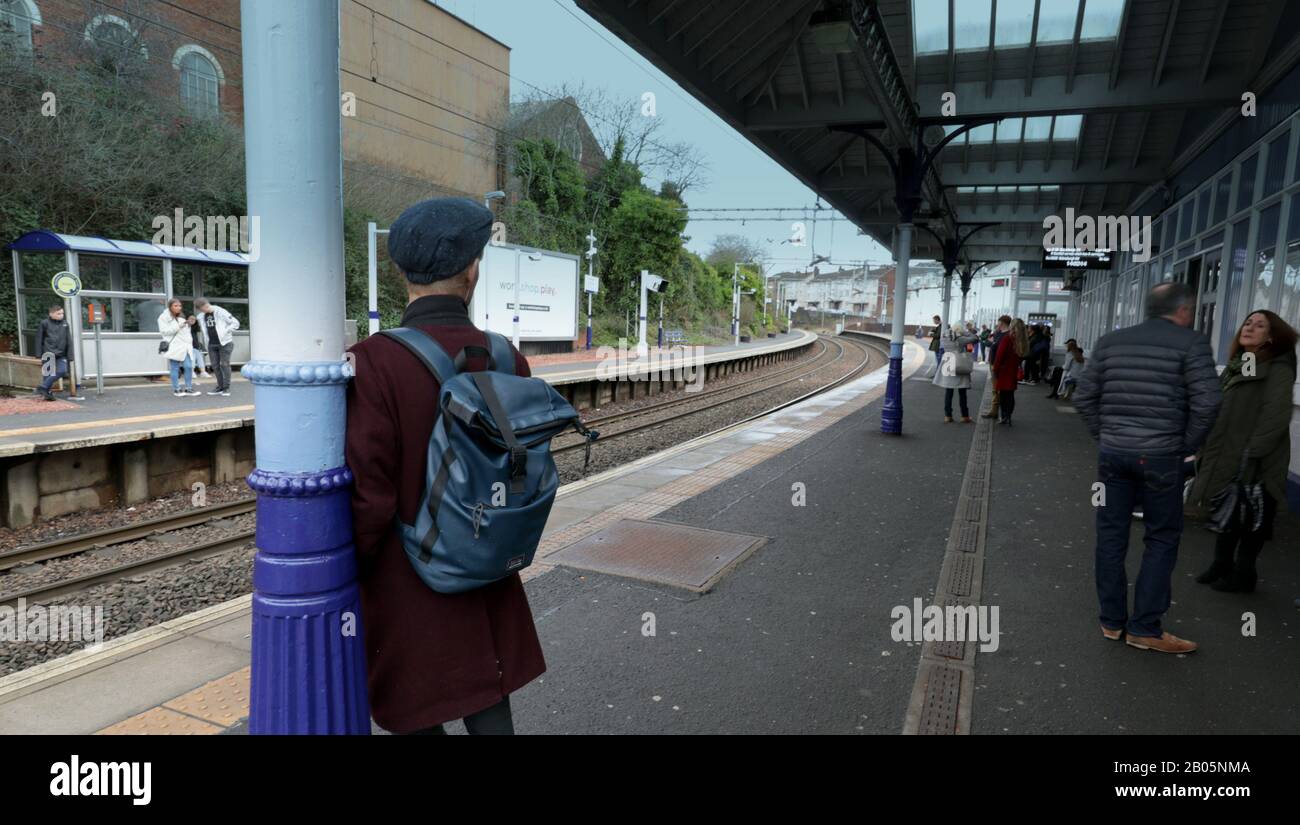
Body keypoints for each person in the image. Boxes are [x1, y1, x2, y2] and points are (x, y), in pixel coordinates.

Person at [346, 197, 544, 736]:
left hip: (408, 575)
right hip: (489, 561)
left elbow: (370, 494)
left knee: (416, 706)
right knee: (489, 694)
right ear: (472, 269)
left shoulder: (373, 361)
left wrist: (348, 571)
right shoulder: (507, 357)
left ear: (401, 271)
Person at [1072, 283, 1221, 653]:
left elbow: (1083, 396)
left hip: (1113, 457)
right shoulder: (1192, 343)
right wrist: (1184, 445)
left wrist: (1106, 436)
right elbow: (1209, 403)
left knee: (1110, 535)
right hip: (1161, 458)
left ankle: (1111, 622)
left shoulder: (1109, 342)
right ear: (1185, 309)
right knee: (1162, 536)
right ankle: (1144, 628)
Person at [1188, 310, 1297, 593]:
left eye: (1260, 325)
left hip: (1257, 456)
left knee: (1251, 516)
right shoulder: (1242, 363)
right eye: (1248, 322)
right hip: (1228, 448)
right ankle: (1221, 563)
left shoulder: (1279, 367)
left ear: (1271, 336)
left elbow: (1276, 414)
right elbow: (1228, 404)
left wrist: (1253, 451)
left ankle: (1244, 573)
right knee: (1229, 508)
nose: (1250, 328)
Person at [932, 322, 978, 423]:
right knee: (962, 391)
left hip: (948, 362)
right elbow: (975, 338)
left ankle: (948, 416)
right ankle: (964, 416)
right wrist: (965, 332)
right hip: (959, 363)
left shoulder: (945, 337)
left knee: (949, 391)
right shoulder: (960, 339)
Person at [195, 298, 240, 396]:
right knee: (215, 366)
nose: (202, 311)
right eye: (201, 310)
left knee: (224, 364)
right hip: (211, 343)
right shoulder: (201, 316)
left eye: (203, 309)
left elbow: (236, 323)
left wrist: (225, 331)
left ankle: (226, 388)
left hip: (225, 343)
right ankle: (220, 387)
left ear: (206, 305)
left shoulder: (220, 311)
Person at [34, 304, 79, 401]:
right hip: (47, 354)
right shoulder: (44, 323)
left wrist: (70, 355)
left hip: (61, 354)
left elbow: (69, 340)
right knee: (47, 375)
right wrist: (38, 354)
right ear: (51, 314)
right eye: (58, 313)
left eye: (62, 313)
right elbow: (39, 339)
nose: (61, 315)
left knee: (62, 371)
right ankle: (48, 394)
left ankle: (42, 387)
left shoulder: (65, 324)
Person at [158, 298, 200, 397]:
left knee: (189, 366)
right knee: (174, 367)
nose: (178, 308)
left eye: (180, 306)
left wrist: (190, 323)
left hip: (186, 346)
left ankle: (188, 388)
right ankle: (176, 389)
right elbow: (164, 331)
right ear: (170, 307)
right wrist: (179, 326)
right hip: (174, 346)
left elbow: (186, 332)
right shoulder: (163, 317)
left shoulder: (181, 317)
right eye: (175, 306)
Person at [991, 317, 1027, 426]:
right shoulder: (1023, 341)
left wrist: (995, 369)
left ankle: (1004, 416)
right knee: (1010, 394)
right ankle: (1009, 416)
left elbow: (999, 356)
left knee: (1003, 395)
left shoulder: (1007, 339)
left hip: (1004, 370)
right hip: (1013, 370)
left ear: (1012, 326)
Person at [981, 316, 1010, 419]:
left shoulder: (1007, 335)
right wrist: (991, 342)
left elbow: (997, 347)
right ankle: (994, 410)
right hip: (992, 362)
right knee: (994, 388)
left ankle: (996, 411)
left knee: (997, 388)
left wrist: (992, 343)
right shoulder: (998, 333)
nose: (997, 325)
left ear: (1002, 323)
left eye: (998, 323)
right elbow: (990, 343)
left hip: (999, 365)